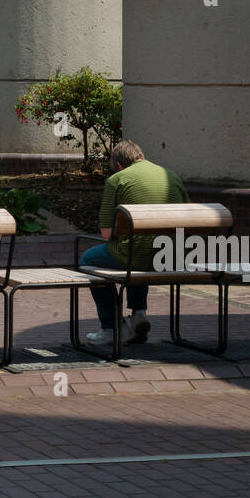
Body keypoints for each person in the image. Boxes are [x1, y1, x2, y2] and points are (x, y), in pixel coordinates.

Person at [81, 138, 188, 347]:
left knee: (90, 258)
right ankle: (139, 313)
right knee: (143, 248)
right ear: (141, 156)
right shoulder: (171, 175)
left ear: (119, 165)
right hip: (172, 256)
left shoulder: (117, 179)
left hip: (138, 255)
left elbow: (106, 233)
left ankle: (110, 328)